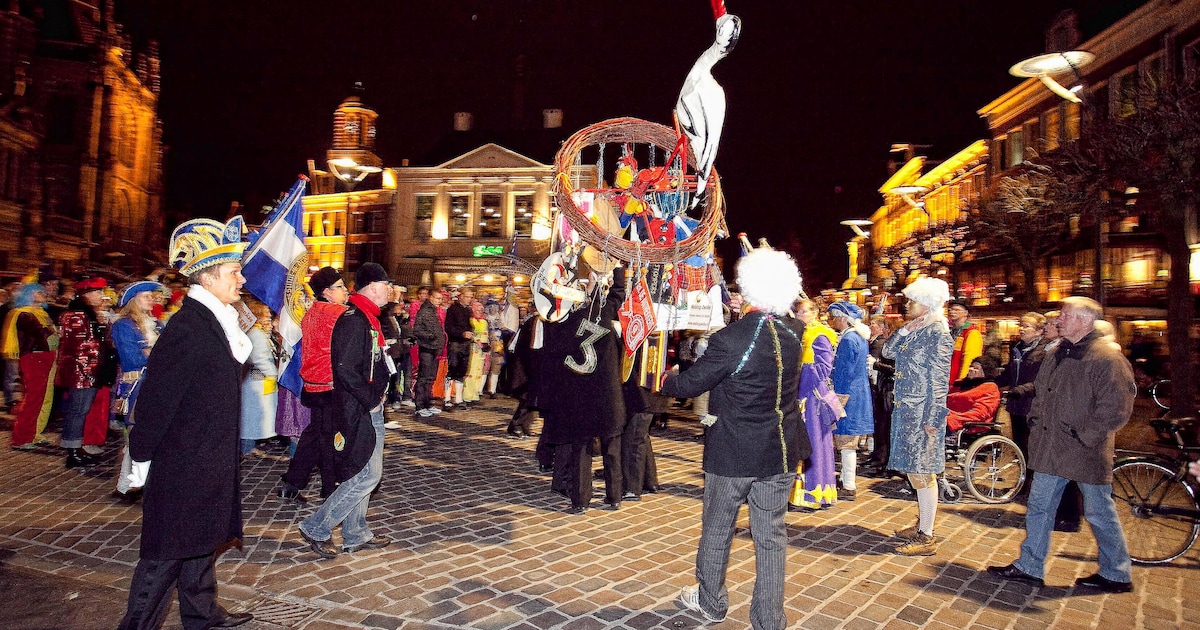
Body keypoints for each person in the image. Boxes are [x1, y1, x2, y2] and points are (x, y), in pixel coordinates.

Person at [118, 216, 254, 630]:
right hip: (185, 461)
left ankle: (201, 613)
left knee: (202, 541)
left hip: (207, 455)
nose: (242, 278)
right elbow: (158, 403)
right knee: (166, 553)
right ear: (209, 278)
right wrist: (139, 458)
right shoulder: (189, 328)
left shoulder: (214, 320)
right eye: (234, 272)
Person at [663, 248, 808, 630]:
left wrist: (666, 378)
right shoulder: (794, 334)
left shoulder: (732, 338)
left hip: (733, 450)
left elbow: (692, 383)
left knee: (718, 527)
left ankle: (711, 603)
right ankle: (769, 619)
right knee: (771, 537)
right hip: (779, 449)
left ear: (745, 290)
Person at [986, 296, 1137, 593]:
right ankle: (1030, 566)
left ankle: (1117, 573)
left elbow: (1117, 407)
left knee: (1098, 511)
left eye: (1065, 316)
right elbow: (1043, 392)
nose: (1057, 321)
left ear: (1084, 320)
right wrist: (1035, 419)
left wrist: (1085, 435)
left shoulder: (1106, 357)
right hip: (1051, 446)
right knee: (1039, 506)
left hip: (1085, 451)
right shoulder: (1058, 353)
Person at [296, 262, 393, 559]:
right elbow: (345, 369)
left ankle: (355, 533)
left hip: (366, 406)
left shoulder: (367, 317)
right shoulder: (355, 319)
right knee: (367, 476)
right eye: (387, 285)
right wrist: (370, 399)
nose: (391, 291)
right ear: (373, 287)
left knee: (362, 470)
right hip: (359, 408)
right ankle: (317, 526)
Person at [883, 277, 953, 557]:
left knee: (923, 472)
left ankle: (927, 536)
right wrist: (902, 331)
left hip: (923, 413)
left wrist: (934, 418)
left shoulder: (938, 333)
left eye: (912, 300)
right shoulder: (915, 329)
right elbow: (888, 352)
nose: (908, 304)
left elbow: (939, 379)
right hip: (907, 411)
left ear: (925, 304)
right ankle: (923, 523)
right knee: (914, 470)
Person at [279, 267, 348, 503]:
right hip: (330, 384)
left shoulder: (311, 313)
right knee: (330, 436)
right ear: (326, 292)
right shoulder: (339, 313)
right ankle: (329, 488)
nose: (345, 290)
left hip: (312, 383)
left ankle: (293, 481)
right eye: (340, 287)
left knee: (315, 433)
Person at [110, 281, 165, 502]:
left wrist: (151, 351)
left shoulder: (159, 324)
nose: (152, 299)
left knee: (154, 435)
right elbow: (132, 359)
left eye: (152, 296)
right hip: (137, 386)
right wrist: (154, 352)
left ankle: (136, 485)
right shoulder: (123, 325)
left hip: (157, 384)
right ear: (133, 301)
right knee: (136, 436)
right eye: (145, 296)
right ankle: (129, 486)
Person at [55, 276, 112, 468]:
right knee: (77, 412)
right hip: (83, 373)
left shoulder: (87, 314)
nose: (102, 296)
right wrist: (90, 372)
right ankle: (72, 452)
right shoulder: (77, 315)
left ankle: (76, 448)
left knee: (81, 411)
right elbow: (80, 347)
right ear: (86, 294)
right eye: (98, 292)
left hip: (89, 372)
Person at [787, 299, 838, 511]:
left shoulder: (819, 334)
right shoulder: (797, 333)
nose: (801, 315)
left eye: (805, 312)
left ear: (815, 312)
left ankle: (811, 494)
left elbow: (824, 368)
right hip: (800, 395)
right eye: (798, 312)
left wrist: (799, 375)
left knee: (813, 443)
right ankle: (796, 491)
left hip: (812, 397)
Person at [826, 300, 873, 502]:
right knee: (850, 440)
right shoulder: (859, 337)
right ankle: (846, 479)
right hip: (859, 392)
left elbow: (843, 373)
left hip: (848, 394)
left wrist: (837, 399)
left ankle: (849, 485)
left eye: (834, 317)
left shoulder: (847, 340)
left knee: (846, 440)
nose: (832, 321)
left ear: (842, 318)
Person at [5, 283, 59, 450]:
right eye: (38, 292)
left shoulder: (42, 313)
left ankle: (34, 433)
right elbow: (41, 333)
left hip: (47, 356)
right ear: (27, 294)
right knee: (33, 398)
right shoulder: (23, 314)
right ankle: (21, 437)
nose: (43, 294)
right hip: (34, 358)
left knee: (44, 398)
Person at [995, 312, 1048, 461]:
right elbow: (1009, 374)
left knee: (1031, 447)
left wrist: (1021, 390)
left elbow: (1043, 381)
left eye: (1026, 326)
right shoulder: (1017, 348)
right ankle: (1023, 480)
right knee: (1019, 446)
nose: (1021, 329)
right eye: (1021, 326)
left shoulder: (1044, 351)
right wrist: (991, 381)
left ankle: (1031, 482)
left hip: (1033, 405)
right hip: (1016, 405)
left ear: (1039, 331)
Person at [239, 300, 279, 457]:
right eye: (265, 313)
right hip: (258, 380)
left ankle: (251, 444)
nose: (269, 315)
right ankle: (248, 447)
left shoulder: (256, 332)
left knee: (255, 416)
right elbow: (260, 358)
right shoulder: (256, 333)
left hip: (258, 379)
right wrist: (273, 374)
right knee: (253, 417)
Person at [863, 314, 896, 476]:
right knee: (879, 425)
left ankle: (883, 461)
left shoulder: (882, 343)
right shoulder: (877, 342)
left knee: (884, 426)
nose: (870, 326)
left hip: (886, 389)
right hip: (880, 388)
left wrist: (874, 364)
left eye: (874, 324)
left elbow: (893, 368)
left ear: (883, 328)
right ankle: (878, 457)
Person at [413, 287, 447, 418]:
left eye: (441, 298)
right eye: (438, 298)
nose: (440, 301)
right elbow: (417, 330)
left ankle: (428, 403)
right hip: (427, 348)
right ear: (431, 298)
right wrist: (431, 336)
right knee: (424, 377)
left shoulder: (433, 311)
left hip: (434, 348)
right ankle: (420, 405)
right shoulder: (425, 311)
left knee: (430, 378)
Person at [946, 358, 1001, 433]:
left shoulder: (989, 388)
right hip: (949, 417)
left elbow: (980, 414)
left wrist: (953, 419)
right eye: (971, 366)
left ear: (985, 372)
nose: (971, 369)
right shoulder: (960, 384)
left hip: (969, 424)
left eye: (976, 368)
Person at [443, 288, 474, 410]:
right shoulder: (452, 309)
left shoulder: (467, 310)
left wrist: (470, 333)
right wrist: (462, 333)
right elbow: (448, 327)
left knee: (462, 371)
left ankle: (459, 398)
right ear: (460, 296)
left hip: (466, 344)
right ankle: (447, 398)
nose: (469, 300)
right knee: (452, 370)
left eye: (471, 297)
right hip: (455, 344)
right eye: (467, 297)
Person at [947, 300, 982, 386]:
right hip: (946, 381)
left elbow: (969, 360)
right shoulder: (950, 332)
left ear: (965, 313)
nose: (952, 312)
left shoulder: (972, 332)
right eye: (950, 310)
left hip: (958, 383)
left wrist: (962, 381)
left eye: (956, 310)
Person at [462, 300, 488, 404]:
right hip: (472, 348)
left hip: (481, 350)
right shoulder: (470, 320)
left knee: (478, 371)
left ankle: (475, 393)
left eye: (481, 310)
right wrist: (476, 340)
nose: (479, 312)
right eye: (476, 310)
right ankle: (467, 395)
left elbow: (486, 334)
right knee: (470, 372)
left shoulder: (484, 321)